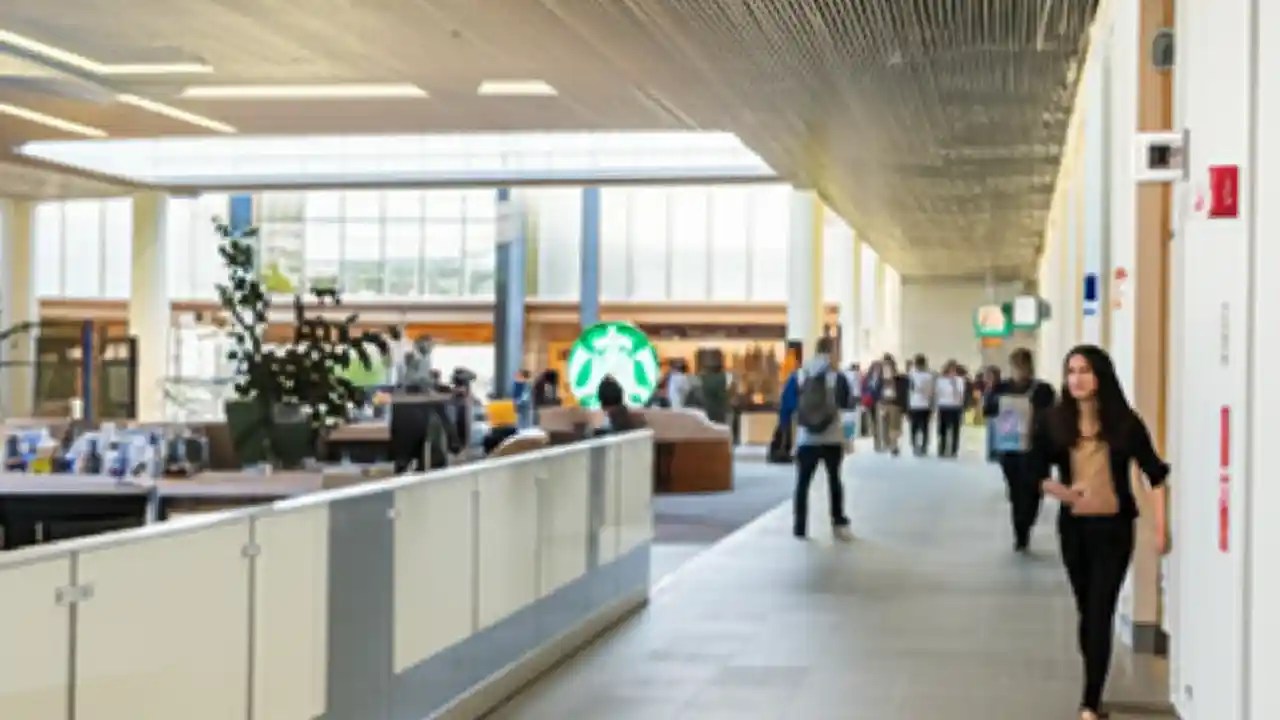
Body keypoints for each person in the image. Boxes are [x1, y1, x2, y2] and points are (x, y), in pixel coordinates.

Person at [1032, 345, 1169, 720]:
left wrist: (1161, 528)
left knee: (1101, 609)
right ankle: (1093, 677)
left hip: (1114, 529)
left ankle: (1090, 703)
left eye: (1085, 371)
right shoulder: (1054, 421)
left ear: (1101, 376)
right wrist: (1063, 492)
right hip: (1074, 529)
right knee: (1086, 611)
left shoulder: (1125, 422)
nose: (1076, 378)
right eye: (1071, 371)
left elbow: (1155, 474)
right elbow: (1033, 471)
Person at [777, 337, 854, 540]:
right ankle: (838, 520)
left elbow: (787, 408)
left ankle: (800, 526)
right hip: (833, 437)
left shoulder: (799, 375)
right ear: (832, 352)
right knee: (834, 480)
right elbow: (848, 410)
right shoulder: (838, 378)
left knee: (802, 483)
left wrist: (788, 437)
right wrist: (848, 439)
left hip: (806, 438)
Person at [983, 349, 1055, 551]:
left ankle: (1026, 524)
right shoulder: (1002, 387)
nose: (1021, 371)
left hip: (1035, 450)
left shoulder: (1043, 390)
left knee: (1033, 491)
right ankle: (1020, 532)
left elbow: (1052, 415)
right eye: (1017, 366)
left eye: (1024, 366)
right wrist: (992, 396)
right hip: (1011, 448)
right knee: (1016, 492)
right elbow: (987, 410)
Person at [876, 354, 909, 456]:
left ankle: (893, 445)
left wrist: (904, 408)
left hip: (895, 403)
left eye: (888, 365)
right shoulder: (879, 379)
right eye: (885, 365)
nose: (887, 367)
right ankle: (888, 444)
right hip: (883, 403)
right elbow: (876, 390)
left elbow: (904, 392)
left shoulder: (900, 379)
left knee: (894, 426)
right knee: (884, 425)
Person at [935, 360, 965, 457]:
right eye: (950, 369)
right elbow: (938, 393)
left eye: (954, 369)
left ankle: (953, 450)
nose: (952, 372)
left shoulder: (959, 380)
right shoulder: (940, 380)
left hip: (955, 407)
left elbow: (960, 395)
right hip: (944, 406)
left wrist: (954, 385)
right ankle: (942, 448)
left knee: (955, 429)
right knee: (942, 429)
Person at [906, 354, 935, 455]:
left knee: (918, 427)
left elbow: (909, 390)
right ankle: (920, 446)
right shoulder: (928, 375)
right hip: (920, 405)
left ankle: (919, 446)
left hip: (917, 404)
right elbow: (931, 392)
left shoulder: (912, 375)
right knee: (921, 427)